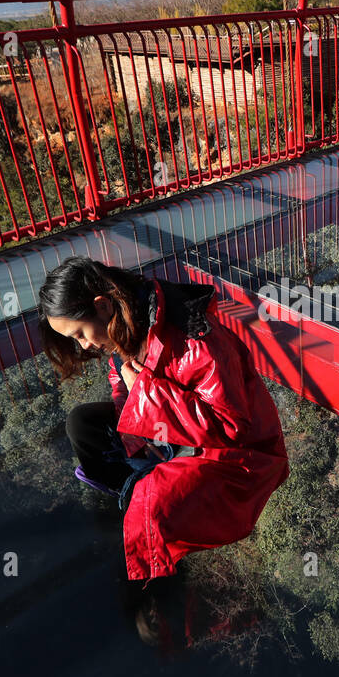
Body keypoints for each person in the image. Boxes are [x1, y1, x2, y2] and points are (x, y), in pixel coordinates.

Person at [38, 258, 289, 633]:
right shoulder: (130, 323)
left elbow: (229, 426)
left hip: (236, 458)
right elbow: (124, 385)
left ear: (103, 304)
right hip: (176, 433)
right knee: (82, 424)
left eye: (79, 333)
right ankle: (135, 481)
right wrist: (137, 430)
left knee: (150, 508)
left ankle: (141, 512)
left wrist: (147, 395)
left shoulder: (196, 342)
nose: (85, 345)